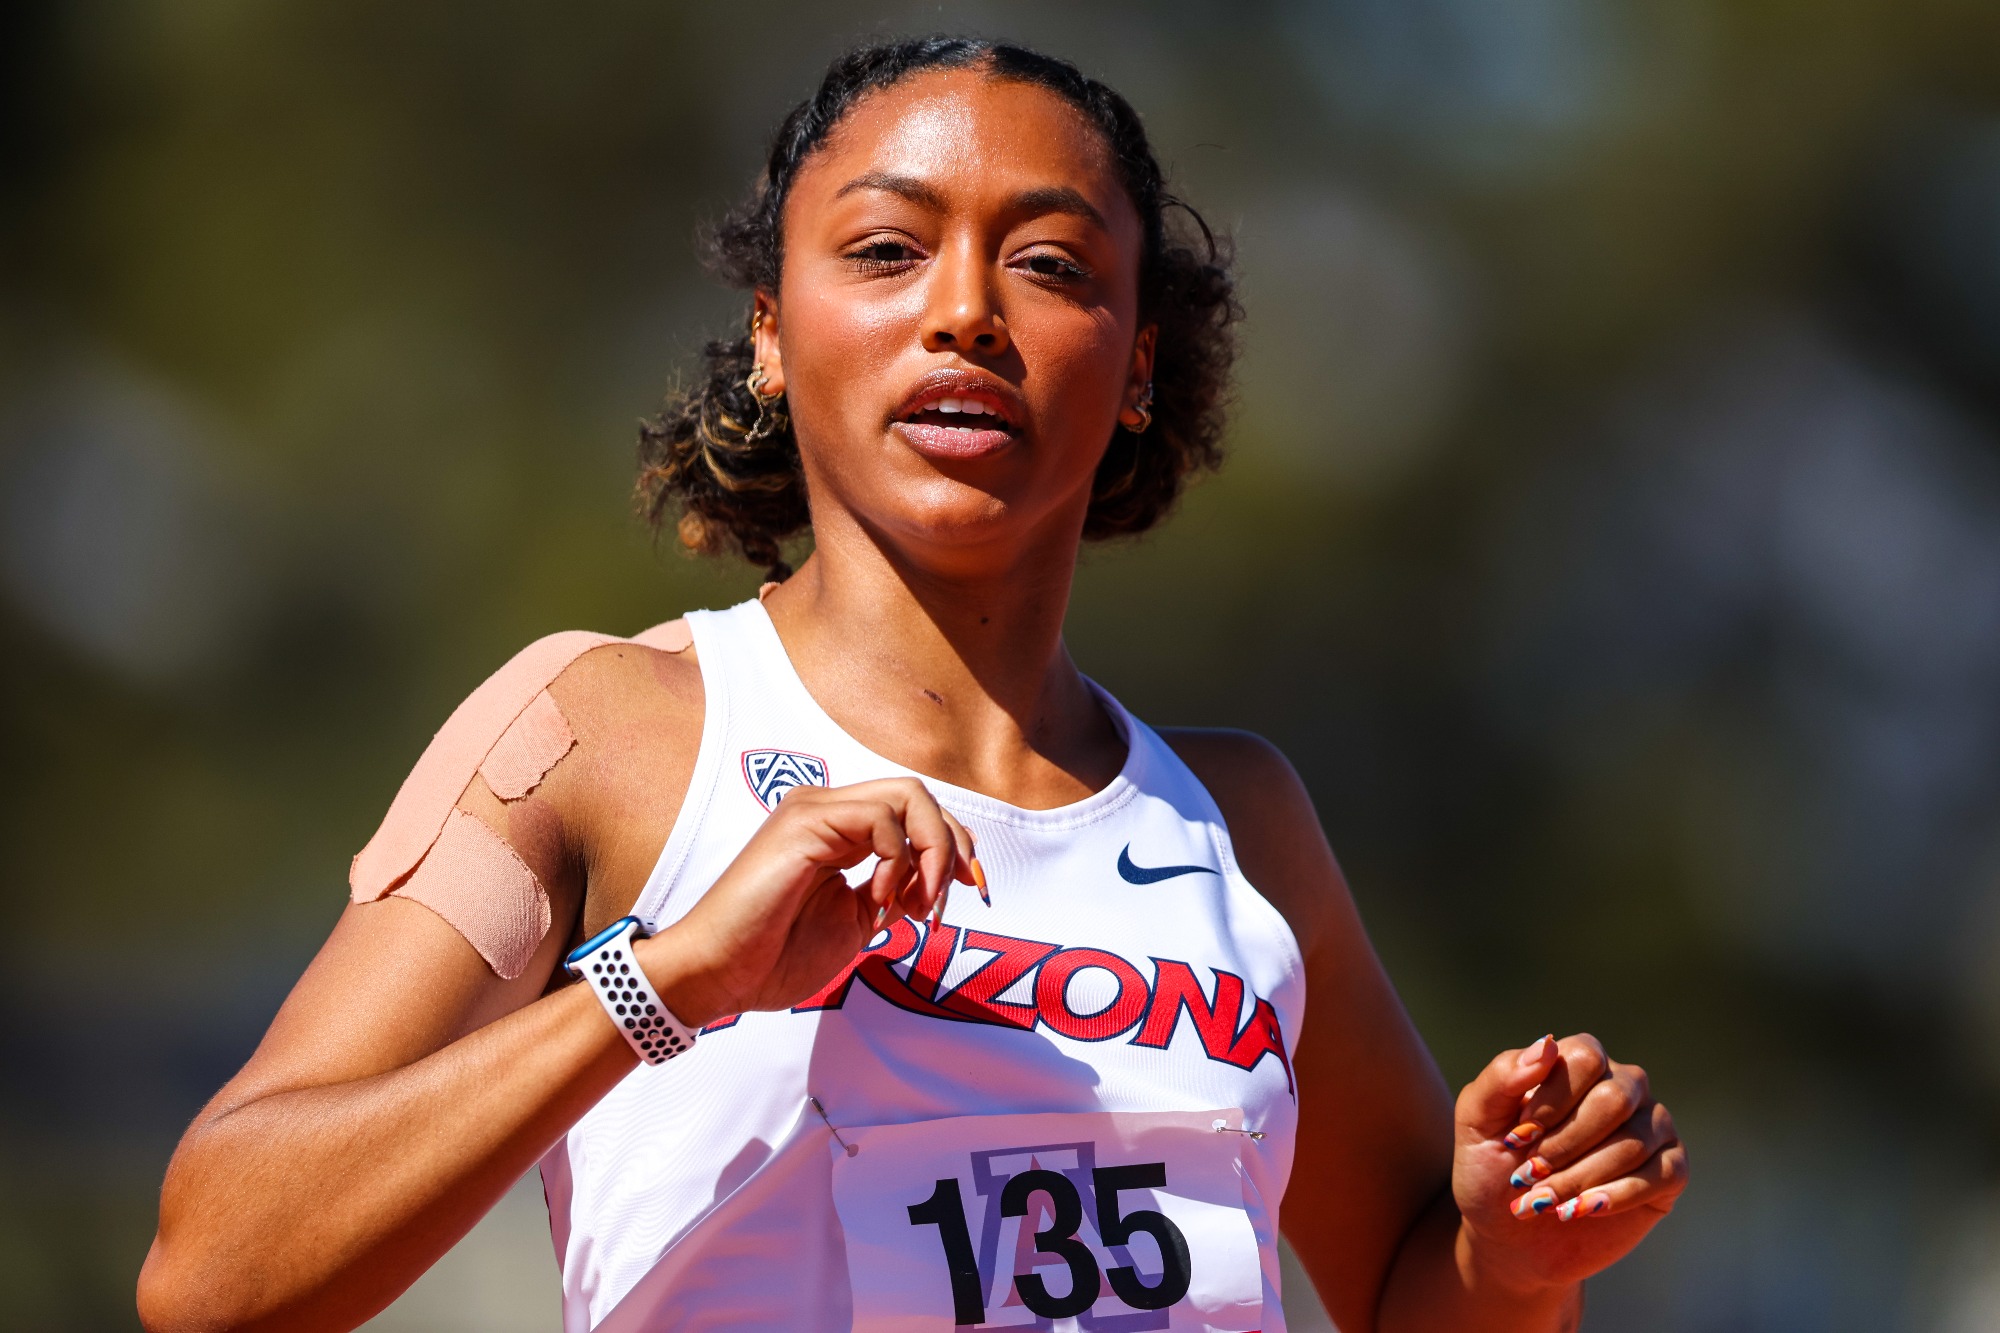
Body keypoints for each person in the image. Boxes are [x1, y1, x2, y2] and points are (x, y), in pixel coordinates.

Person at [137, 36, 1685, 1333]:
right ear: (770, 333)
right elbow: (212, 1272)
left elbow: (1423, 1294)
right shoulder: (595, 735)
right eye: (885, 250)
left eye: (1051, 263)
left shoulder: (1242, 824)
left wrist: (1515, 1256)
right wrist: (668, 982)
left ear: (1138, 362)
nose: (963, 311)